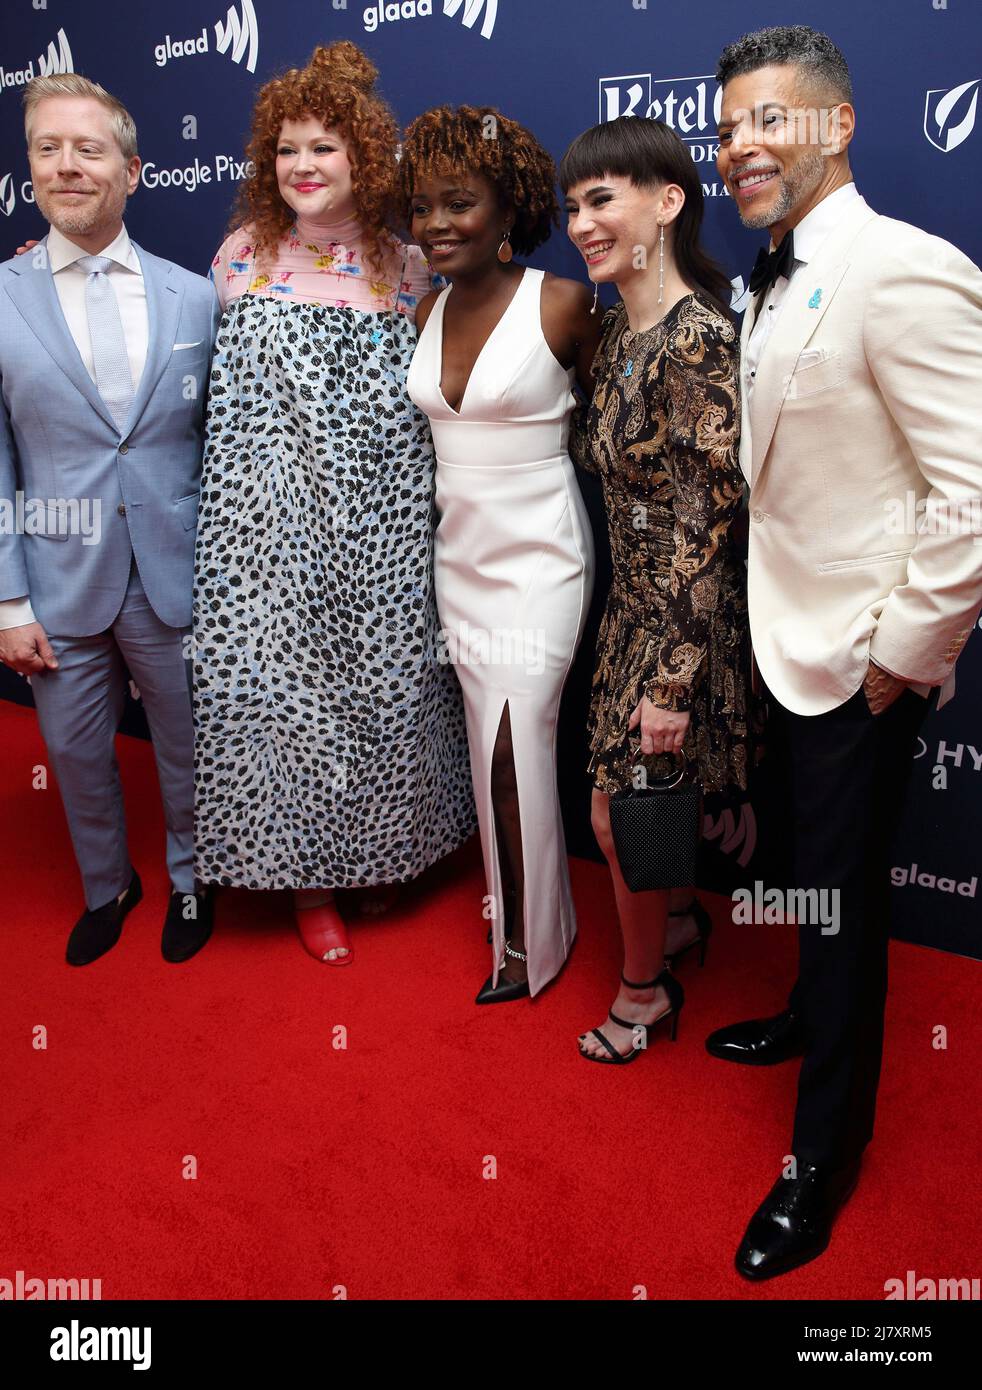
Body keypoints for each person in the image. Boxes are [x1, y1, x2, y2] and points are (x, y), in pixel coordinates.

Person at [709, 25, 982, 1280]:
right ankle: (809, 1009)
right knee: (808, 887)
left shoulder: (901, 267)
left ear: (839, 123)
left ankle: (819, 1156)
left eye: (768, 120)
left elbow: (970, 491)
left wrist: (903, 654)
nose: (740, 147)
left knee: (844, 894)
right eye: (726, 128)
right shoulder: (771, 271)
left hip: (856, 663)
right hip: (782, 639)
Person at [193, 43, 475, 964]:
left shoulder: (406, 268)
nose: (303, 166)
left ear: (363, 158)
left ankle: (385, 852)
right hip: (267, 539)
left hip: (386, 525)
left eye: (324, 147)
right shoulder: (241, 257)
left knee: (389, 692)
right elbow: (190, 390)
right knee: (289, 704)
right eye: (286, 150)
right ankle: (308, 883)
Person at [0, 74, 218, 966]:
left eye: (88, 149)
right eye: (48, 148)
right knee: (78, 754)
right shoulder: (2, 295)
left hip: (178, 573)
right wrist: (8, 603)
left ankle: (196, 882)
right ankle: (109, 885)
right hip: (54, 585)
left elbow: (220, 445)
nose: (67, 166)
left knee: (190, 751)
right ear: (29, 170)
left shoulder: (194, 297)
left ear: (131, 171)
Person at [562, 117, 755, 1062]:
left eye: (603, 199)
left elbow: (710, 523)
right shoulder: (618, 332)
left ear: (667, 202)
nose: (583, 223)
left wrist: (672, 678)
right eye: (573, 207)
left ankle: (644, 996)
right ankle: (675, 924)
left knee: (619, 811)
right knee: (646, 800)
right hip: (626, 610)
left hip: (677, 617)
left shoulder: (695, 340)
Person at [402, 105, 601, 1002]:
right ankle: (519, 924)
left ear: (508, 205)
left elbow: (616, 433)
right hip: (460, 564)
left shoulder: (563, 301)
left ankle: (531, 947)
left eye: (460, 203)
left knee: (517, 746)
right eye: (423, 207)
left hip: (541, 560)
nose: (437, 224)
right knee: (491, 745)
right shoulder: (424, 308)